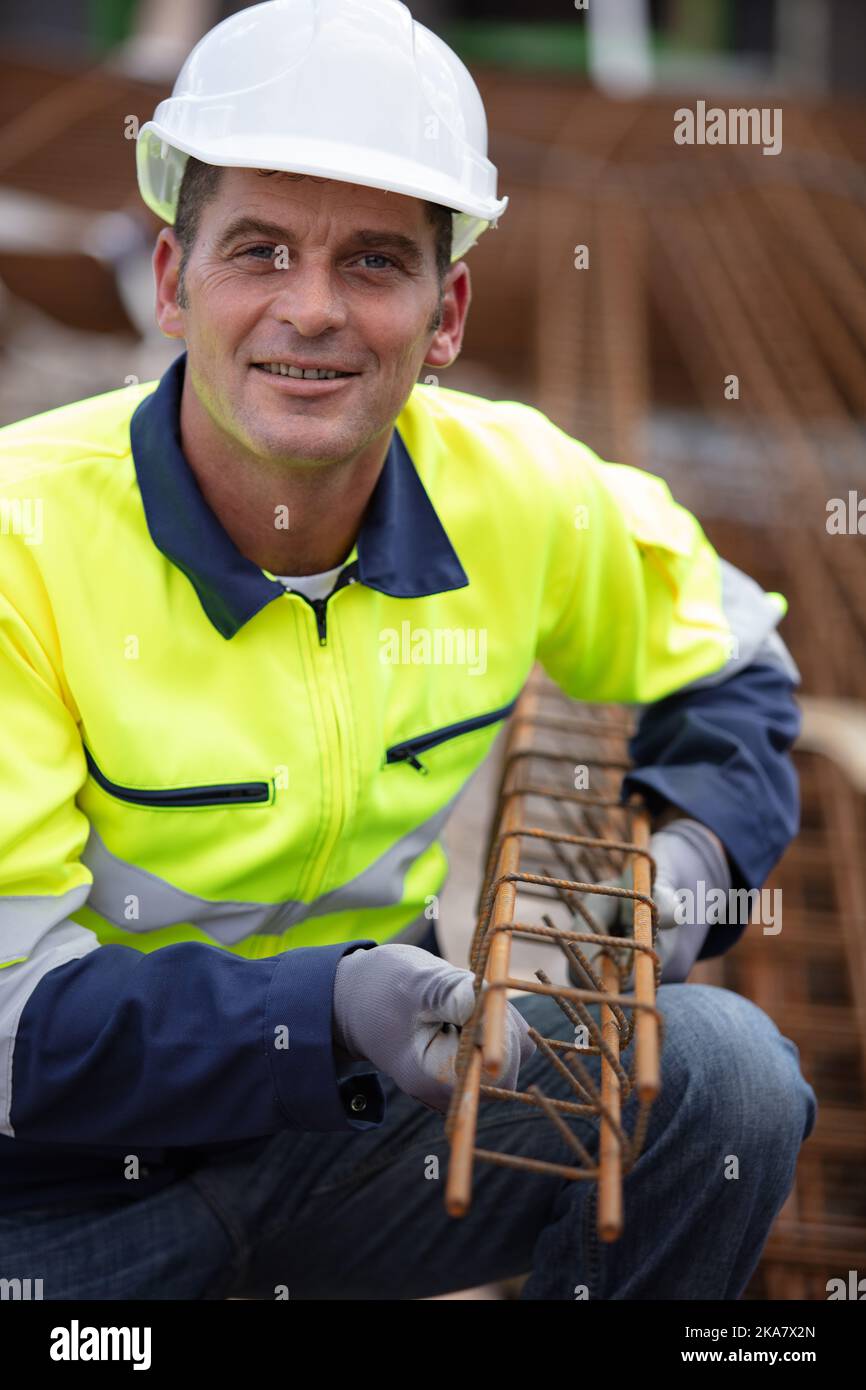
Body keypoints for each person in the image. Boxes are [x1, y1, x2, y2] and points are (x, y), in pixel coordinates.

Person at [0, 0, 815, 1299]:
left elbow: (733, 655)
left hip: (367, 1128)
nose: (310, 311)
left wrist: (694, 851)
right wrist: (319, 1010)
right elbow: (10, 1030)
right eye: (259, 251)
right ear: (170, 282)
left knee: (726, 1080)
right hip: (62, 1185)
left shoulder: (517, 491)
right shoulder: (23, 539)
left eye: (374, 263)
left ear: (446, 314)